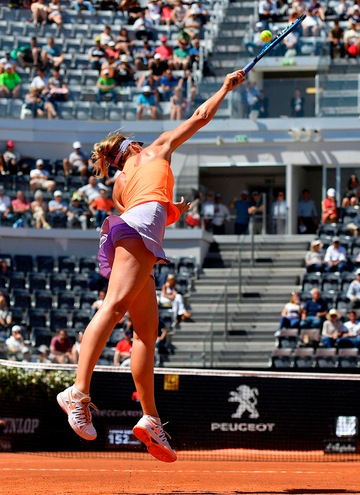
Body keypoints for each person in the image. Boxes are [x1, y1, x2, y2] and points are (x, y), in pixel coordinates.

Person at [56, 70, 244, 463]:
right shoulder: (156, 149)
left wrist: (172, 211)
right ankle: (77, 391)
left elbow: (147, 208)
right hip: (140, 233)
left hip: (134, 233)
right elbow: (200, 116)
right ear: (133, 147)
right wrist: (225, 87)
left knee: (146, 333)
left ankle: (150, 419)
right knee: (113, 308)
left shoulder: (120, 184)